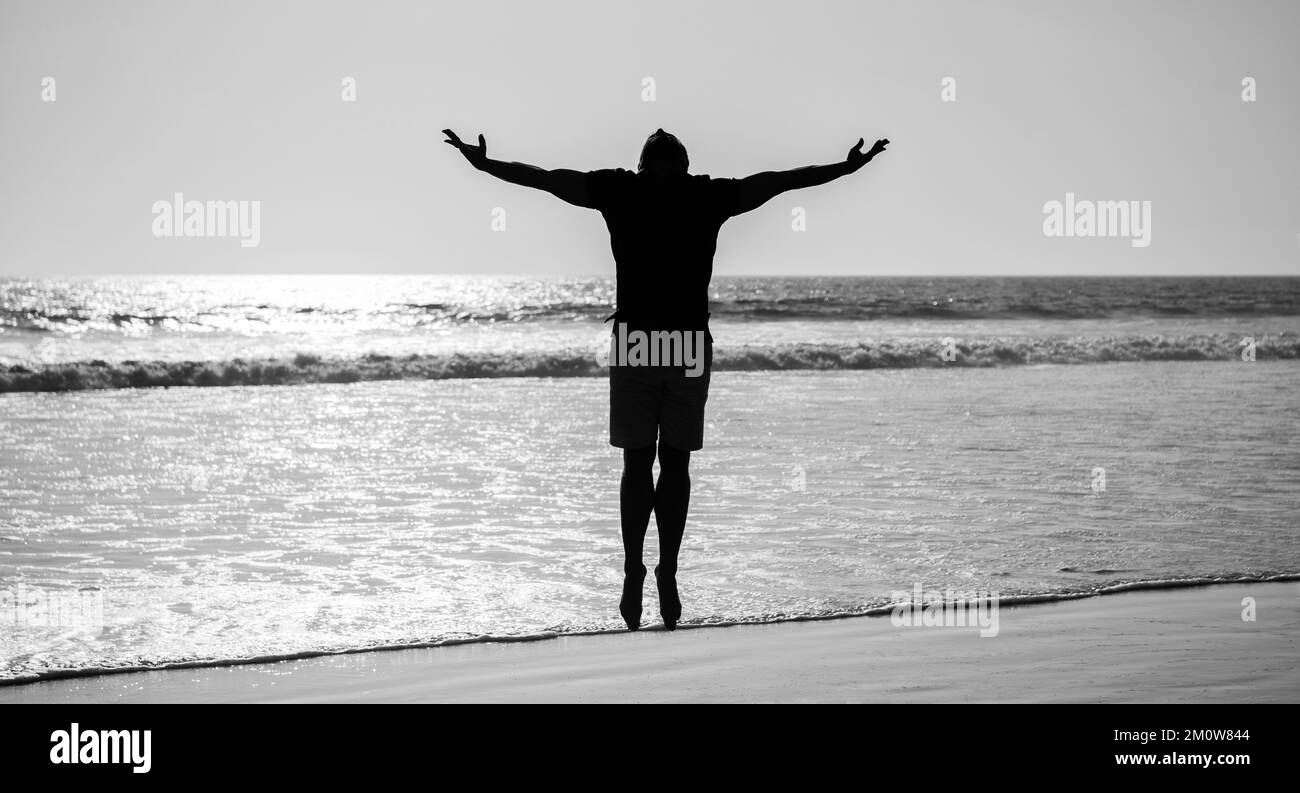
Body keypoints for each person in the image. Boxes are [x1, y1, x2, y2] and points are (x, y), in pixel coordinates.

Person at [443, 127, 889, 631]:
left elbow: (546, 180)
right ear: (683, 162)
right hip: (686, 344)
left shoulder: (621, 190)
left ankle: (640, 569)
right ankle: (662, 571)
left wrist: (485, 165)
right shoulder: (705, 194)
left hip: (638, 343)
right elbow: (780, 181)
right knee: (671, 464)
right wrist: (846, 168)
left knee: (641, 464)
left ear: (644, 163)